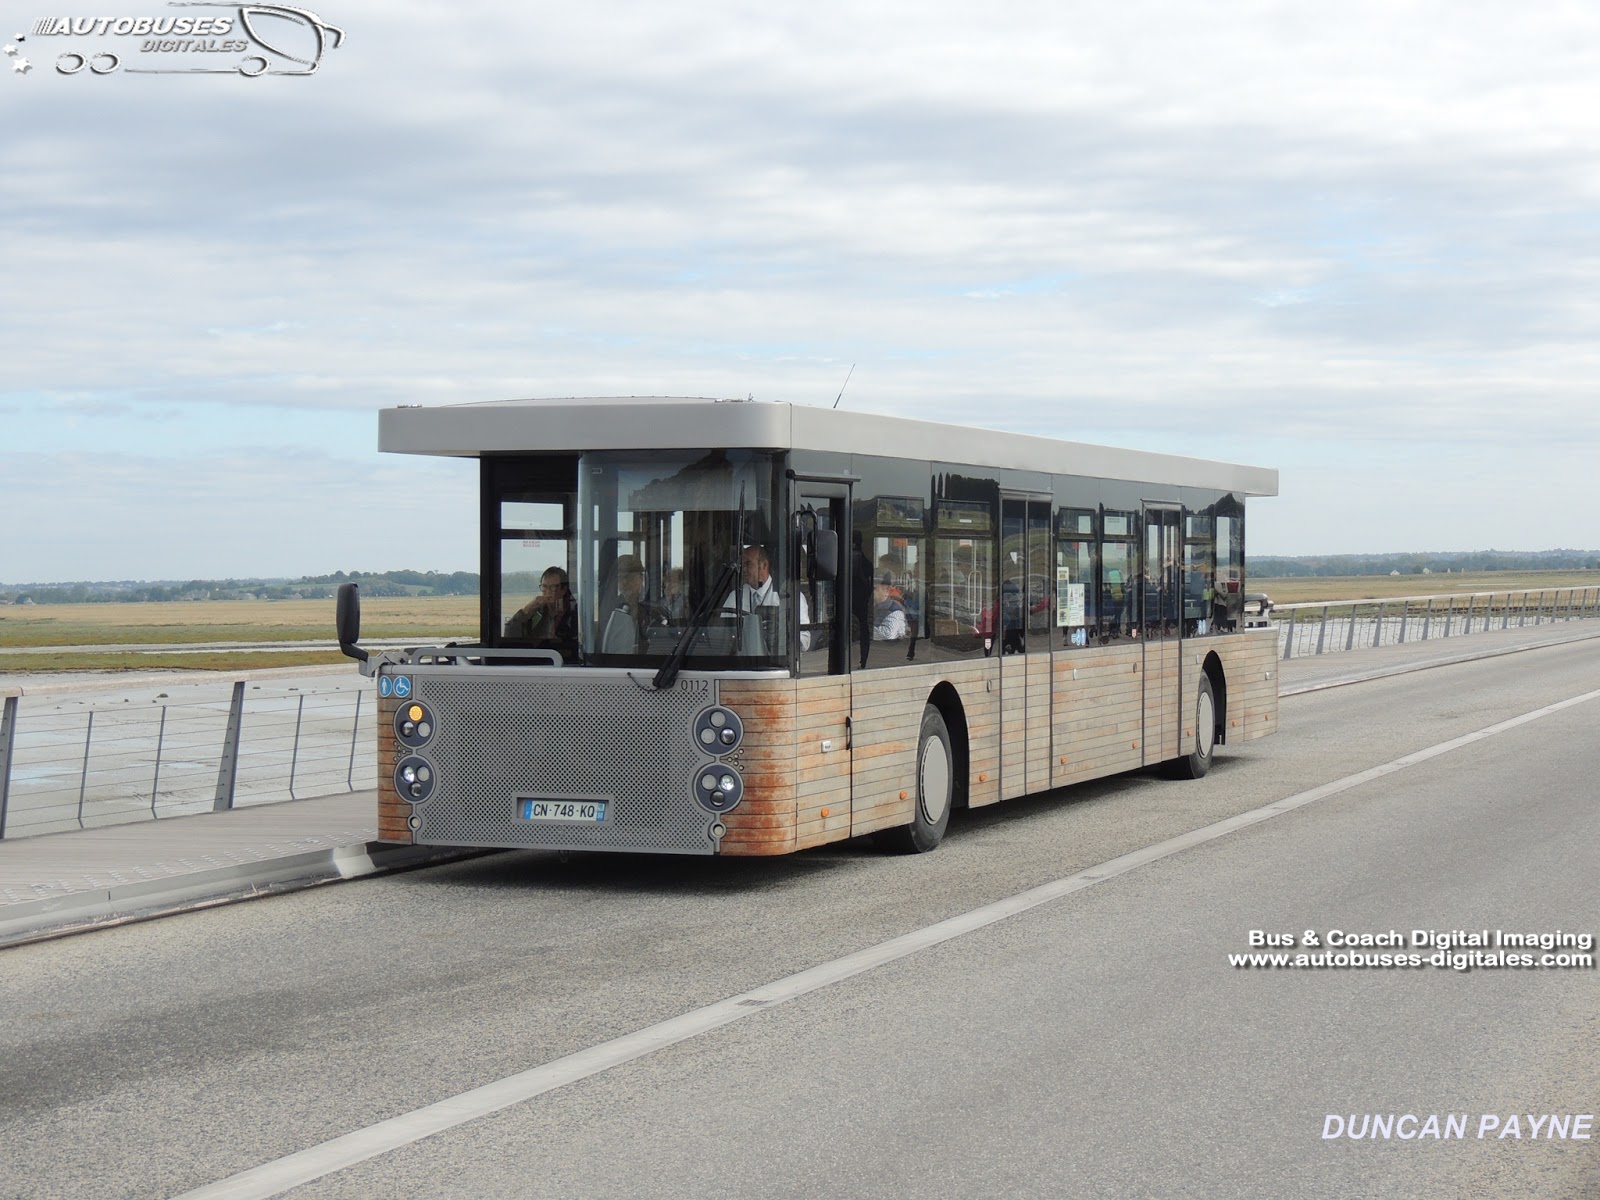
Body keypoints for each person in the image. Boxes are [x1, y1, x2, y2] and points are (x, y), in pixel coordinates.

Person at [722, 544, 811, 651]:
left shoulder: (790, 597)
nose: (743, 569)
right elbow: (723, 634)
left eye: (748, 564)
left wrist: (782, 636)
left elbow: (804, 641)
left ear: (764, 565)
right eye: (741, 565)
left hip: (777, 658)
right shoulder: (735, 597)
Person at [504, 566, 580, 661]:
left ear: (563, 590)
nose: (547, 592)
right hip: (536, 660)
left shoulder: (573, 613)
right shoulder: (538, 613)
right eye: (544, 587)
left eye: (552, 587)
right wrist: (526, 610)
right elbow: (510, 634)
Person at [872, 573, 907, 641]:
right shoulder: (872, 607)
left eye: (874, 588)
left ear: (886, 591)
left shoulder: (895, 611)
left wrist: (862, 629)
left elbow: (887, 635)